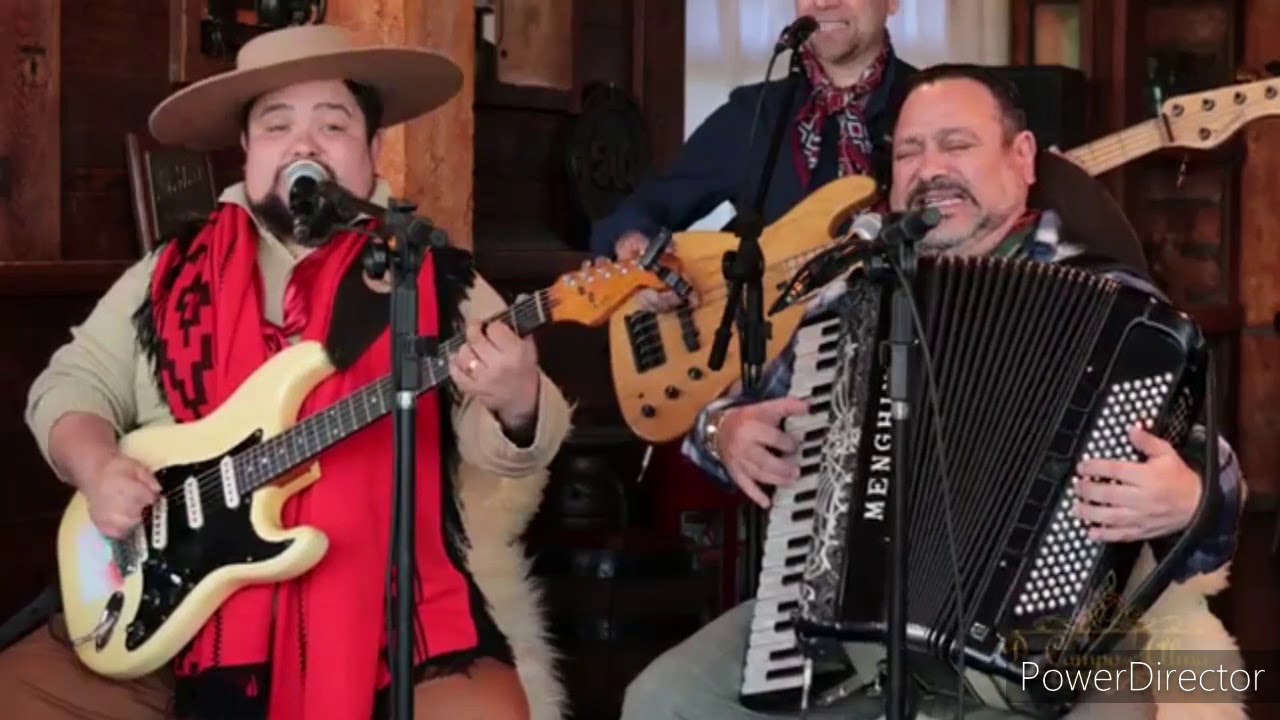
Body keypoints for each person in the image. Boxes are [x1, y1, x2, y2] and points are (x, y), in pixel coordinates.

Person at [620, 64, 1247, 719]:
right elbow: (735, 411)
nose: (931, 168)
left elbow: (1213, 462)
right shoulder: (847, 299)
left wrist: (1191, 495)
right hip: (844, 622)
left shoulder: (1115, 310)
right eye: (910, 151)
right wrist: (728, 432)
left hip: (1034, 639)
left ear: (1022, 157)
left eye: (958, 144)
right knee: (662, 698)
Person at [0, 24, 572, 720]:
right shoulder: (170, 275)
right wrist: (95, 465)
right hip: (167, 606)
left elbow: (505, 442)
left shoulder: (428, 276)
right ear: (247, 151)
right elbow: (68, 385)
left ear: (373, 150)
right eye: (278, 125)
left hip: (386, 610)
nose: (304, 145)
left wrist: (516, 402)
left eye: (332, 125)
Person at [591, 0, 916, 275]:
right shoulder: (753, 115)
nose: (823, 2)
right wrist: (633, 240)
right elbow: (647, 206)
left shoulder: (934, 107)